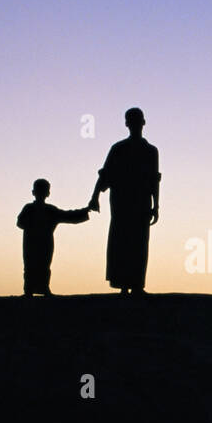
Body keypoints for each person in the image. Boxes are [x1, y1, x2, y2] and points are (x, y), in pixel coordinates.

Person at [89, 107, 160, 294]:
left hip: (141, 203)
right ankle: (123, 285)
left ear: (142, 123)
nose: (135, 124)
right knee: (122, 242)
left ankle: (136, 284)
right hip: (122, 203)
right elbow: (105, 175)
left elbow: (154, 179)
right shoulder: (118, 148)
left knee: (139, 242)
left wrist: (156, 205)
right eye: (132, 121)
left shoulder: (151, 151)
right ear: (127, 124)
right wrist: (95, 196)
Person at [15, 178, 90, 296]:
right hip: (33, 243)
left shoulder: (49, 210)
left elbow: (69, 216)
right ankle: (30, 290)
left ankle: (41, 288)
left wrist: (85, 210)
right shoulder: (31, 208)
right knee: (31, 265)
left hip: (43, 243)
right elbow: (20, 222)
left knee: (43, 265)